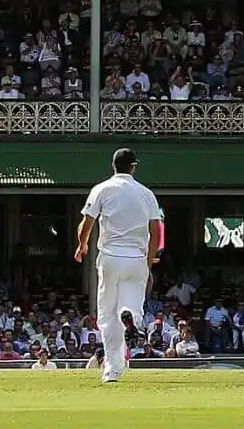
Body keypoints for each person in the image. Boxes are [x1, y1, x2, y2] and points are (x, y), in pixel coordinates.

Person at [74, 147, 163, 385]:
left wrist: (82, 247)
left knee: (107, 316)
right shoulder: (146, 193)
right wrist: (149, 260)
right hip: (136, 257)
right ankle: (131, 316)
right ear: (133, 166)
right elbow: (156, 231)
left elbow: (86, 223)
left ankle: (112, 370)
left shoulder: (101, 189)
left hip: (110, 257)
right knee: (133, 303)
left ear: (113, 166)